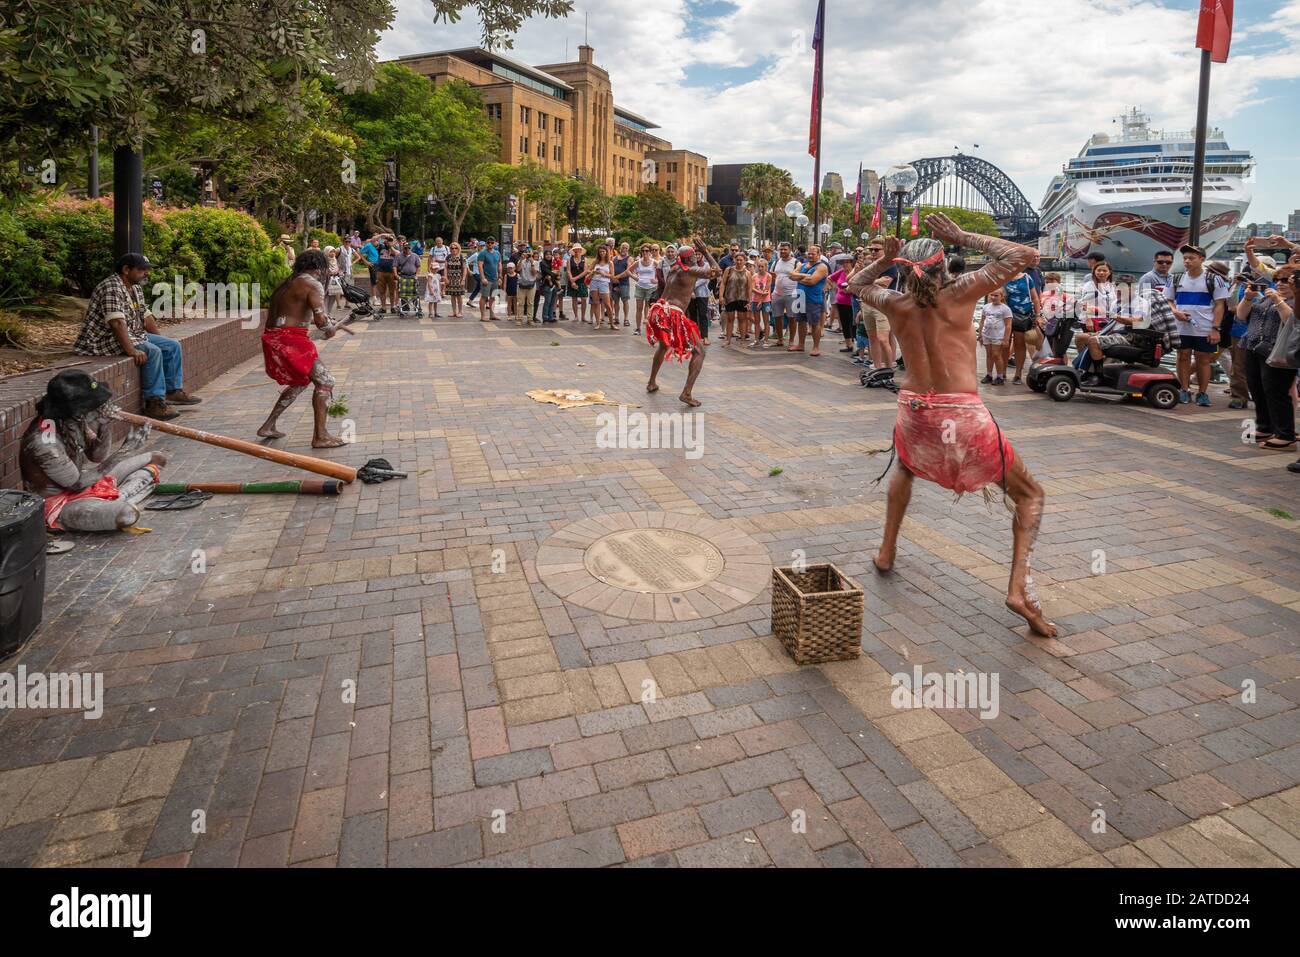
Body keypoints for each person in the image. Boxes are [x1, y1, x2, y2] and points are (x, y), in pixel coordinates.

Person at [846, 213, 1055, 637]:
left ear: (906, 270)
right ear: (945, 266)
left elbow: (854, 287)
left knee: (904, 467)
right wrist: (964, 236)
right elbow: (1027, 255)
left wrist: (884, 261)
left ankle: (886, 552)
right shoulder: (960, 294)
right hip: (960, 412)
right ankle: (1019, 590)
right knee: (1030, 495)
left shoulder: (896, 303)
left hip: (914, 407)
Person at [21, 370, 166, 533]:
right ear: (78, 411)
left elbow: (97, 456)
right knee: (126, 515)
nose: (100, 408)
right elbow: (77, 484)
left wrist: (104, 424)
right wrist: (124, 451)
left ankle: (115, 498)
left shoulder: (73, 420)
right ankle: (120, 499)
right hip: (61, 505)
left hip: (87, 481)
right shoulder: (45, 443)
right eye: (95, 406)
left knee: (157, 458)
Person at [73, 253, 202, 421]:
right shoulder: (111, 287)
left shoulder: (135, 288)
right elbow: (117, 324)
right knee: (153, 351)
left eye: (147, 270)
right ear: (126, 270)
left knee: (171, 346)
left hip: (133, 334)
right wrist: (131, 350)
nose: (146, 273)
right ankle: (153, 402)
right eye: (142, 270)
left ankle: (172, 392)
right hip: (103, 339)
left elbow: (146, 317)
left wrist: (160, 340)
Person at [257, 250, 348, 448]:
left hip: (274, 336)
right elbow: (321, 320)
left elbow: (292, 313)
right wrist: (329, 327)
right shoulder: (312, 283)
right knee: (325, 381)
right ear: (320, 267)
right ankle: (320, 437)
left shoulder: (286, 282)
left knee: (302, 380)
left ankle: (268, 426)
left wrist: (324, 324)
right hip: (290, 340)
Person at [646, 237, 713, 407]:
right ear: (689, 259)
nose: (696, 258)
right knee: (700, 352)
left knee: (663, 346)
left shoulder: (674, 268)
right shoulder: (690, 270)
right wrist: (705, 252)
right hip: (673, 314)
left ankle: (651, 382)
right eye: (694, 256)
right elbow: (716, 270)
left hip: (660, 310)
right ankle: (686, 393)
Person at [1236, 266, 1297, 451]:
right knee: (1257, 389)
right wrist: (1248, 298)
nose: (1280, 283)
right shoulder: (1265, 298)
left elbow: (1291, 320)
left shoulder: (1295, 301)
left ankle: (1285, 434)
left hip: (1278, 351)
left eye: (1286, 280)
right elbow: (1241, 315)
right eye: (1278, 279)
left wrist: (1278, 300)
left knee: (1276, 392)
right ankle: (1265, 427)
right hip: (1253, 348)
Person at [1075, 279, 1180, 385]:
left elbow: (1137, 321)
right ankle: (1087, 370)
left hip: (1132, 336)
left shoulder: (1141, 303)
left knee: (1093, 341)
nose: (1119, 291)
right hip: (1115, 332)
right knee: (1080, 337)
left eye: (1122, 288)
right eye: (1117, 288)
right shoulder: (1117, 303)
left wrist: (1109, 314)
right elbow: (1112, 322)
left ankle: (1098, 375)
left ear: (1133, 289)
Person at [1169, 243, 1229, 406]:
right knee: (1182, 356)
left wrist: (1215, 328)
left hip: (1205, 327)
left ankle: (1202, 393)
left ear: (1201, 259)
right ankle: (1184, 389)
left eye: (1191, 258)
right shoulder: (1175, 278)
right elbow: (1168, 300)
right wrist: (1175, 312)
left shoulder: (1214, 279)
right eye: (1185, 258)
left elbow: (1220, 305)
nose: (1187, 261)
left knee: (1203, 359)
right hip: (1181, 326)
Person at [1002, 266, 1042, 384]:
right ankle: (1002, 372)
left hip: (1023, 315)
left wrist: (1038, 314)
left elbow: (1035, 298)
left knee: (1019, 344)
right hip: (1005, 315)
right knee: (1005, 344)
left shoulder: (1026, 278)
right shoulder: (1003, 277)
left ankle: (1018, 374)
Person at [789, 245, 829, 356]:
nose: (810, 255)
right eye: (809, 253)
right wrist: (804, 275)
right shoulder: (803, 265)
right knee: (801, 322)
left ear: (819, 254)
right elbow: (791, 275)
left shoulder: (822, 267)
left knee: (814, 323)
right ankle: (800, 345)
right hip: (800, 296)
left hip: (813, 299)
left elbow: (812, 281)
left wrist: (799, 277)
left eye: (813, 254)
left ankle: (816, 347)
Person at [979, 288, 1013, 385]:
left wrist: (1006, 339)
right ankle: (989, 375)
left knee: (996, 355)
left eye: (996, 295)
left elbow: (1008, 325)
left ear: (1002, 297)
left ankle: (1000, 376)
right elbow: (982, 321)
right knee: (989, 355)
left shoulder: (1005, 309)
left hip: (998, 336)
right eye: (991, 295)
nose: (993, 297)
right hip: (987, 334)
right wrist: (980, 334)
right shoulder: (986, 307)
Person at [719, 251, 752, 346]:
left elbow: (749, 287)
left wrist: (750, 300)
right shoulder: (728, 270)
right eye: (737, 260)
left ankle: (742, 339)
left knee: (742, 319)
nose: (739, 262)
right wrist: (721, 296)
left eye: (741, 260)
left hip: (742, 298)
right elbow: (723, 283)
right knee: (730, 319)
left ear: (745, 261)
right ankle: (728, 339)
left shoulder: (748, 273)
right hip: (730, 297)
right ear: (734, 260)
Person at [585, 245, 615, 329]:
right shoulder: (596, 261)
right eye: (600, 251)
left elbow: (612, 276)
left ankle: (612, 323)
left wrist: (603, 274)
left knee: (607, 305)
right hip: (594, 282)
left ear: (607, 252)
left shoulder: (610, 262)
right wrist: (593, 271)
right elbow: (588, 270)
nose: (602, 253)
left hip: (604, 283)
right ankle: (598, 323)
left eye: (603, 251)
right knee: (596, 303)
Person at [632, 244, 659, 334]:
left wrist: (657, 280)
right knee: (639, 308)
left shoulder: (654, 262)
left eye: (647, 251)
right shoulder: (638, 262)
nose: (645, 252)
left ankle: (651, 329)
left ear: (650, 252)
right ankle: (638, 328)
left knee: (651, 309)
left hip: (651, 288)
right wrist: (635, 277)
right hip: (640, 286)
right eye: (643, 251)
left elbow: (663, 272)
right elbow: (628, 270)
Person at [477, 237, 503, 321]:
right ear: (486, 243)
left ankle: (492, 315)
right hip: (487, 279)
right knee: (484, 297)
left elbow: (499, 265)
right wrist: (482, 278)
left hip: (495, 279)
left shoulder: (497, 253)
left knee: (493, 297)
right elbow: (480, 266)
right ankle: (483, 316)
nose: (490, 244)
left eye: (492, 243)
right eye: (488, 243)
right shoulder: (483, 253)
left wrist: (500, 277)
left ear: (494, 243)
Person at [749, 258, 772, 349]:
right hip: (755, 300)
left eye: (762, 266)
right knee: (757, 321)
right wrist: (760, 295)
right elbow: (752, 288)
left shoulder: (769, 276)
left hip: (765, 301)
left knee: (766, 321)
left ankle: (766, 340)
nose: (760, 268)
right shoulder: (754, 276)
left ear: (766, 267)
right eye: (759, 266)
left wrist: (761, 300)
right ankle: (756, 340)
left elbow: (767, 289)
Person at [612, 242, 633, 327]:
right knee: (615, 301)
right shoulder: (614, 258)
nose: (624, 249)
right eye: (622, 247)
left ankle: (626, 319)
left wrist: (617, 277)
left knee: (625, 301)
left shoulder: (629, 258)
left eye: (626, 248)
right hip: (614, 283)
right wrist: (613, 278)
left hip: (624, 283)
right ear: (620, 248)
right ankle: (616, 318)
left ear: (628, 249)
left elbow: (628, 271)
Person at [443, 241, 466, 317]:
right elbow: (445, 268)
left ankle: (460, 311)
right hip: (450, 279)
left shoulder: (462, 257)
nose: (454, 249)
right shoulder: (448, 257)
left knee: (459, 296)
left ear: (458, 248)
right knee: (452, 296)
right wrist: (445, 277)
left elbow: (464, 269)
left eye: (455, 248)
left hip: (459, 279)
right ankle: (454, 312)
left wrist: (463, 279)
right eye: (452, 248)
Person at [566, 244, 588, 323]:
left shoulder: (584, 259)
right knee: (574, 299)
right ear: (573, 251)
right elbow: (568, 271)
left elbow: (585, 271)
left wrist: (576, 278)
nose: (577, 251)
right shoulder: (569, 259)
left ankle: (583, 316)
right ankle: (576, 316)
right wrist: (572, 281)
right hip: (572, 281)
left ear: (581, 251)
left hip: (582, 281)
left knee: (584, 298)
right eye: (575, 250)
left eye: (578, 250)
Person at [517, 250, 538, 323]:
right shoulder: (521, 261)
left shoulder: (535, 262)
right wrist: (521, 259)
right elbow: (518, 269)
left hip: (531, 284)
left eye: (529, 254)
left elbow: (534, 273)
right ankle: (519, 319)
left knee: (530, 303)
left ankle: (530, 319)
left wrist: (532, 263)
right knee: (520, 303)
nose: (528, 255)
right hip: (522, 284)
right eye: (526, 254)